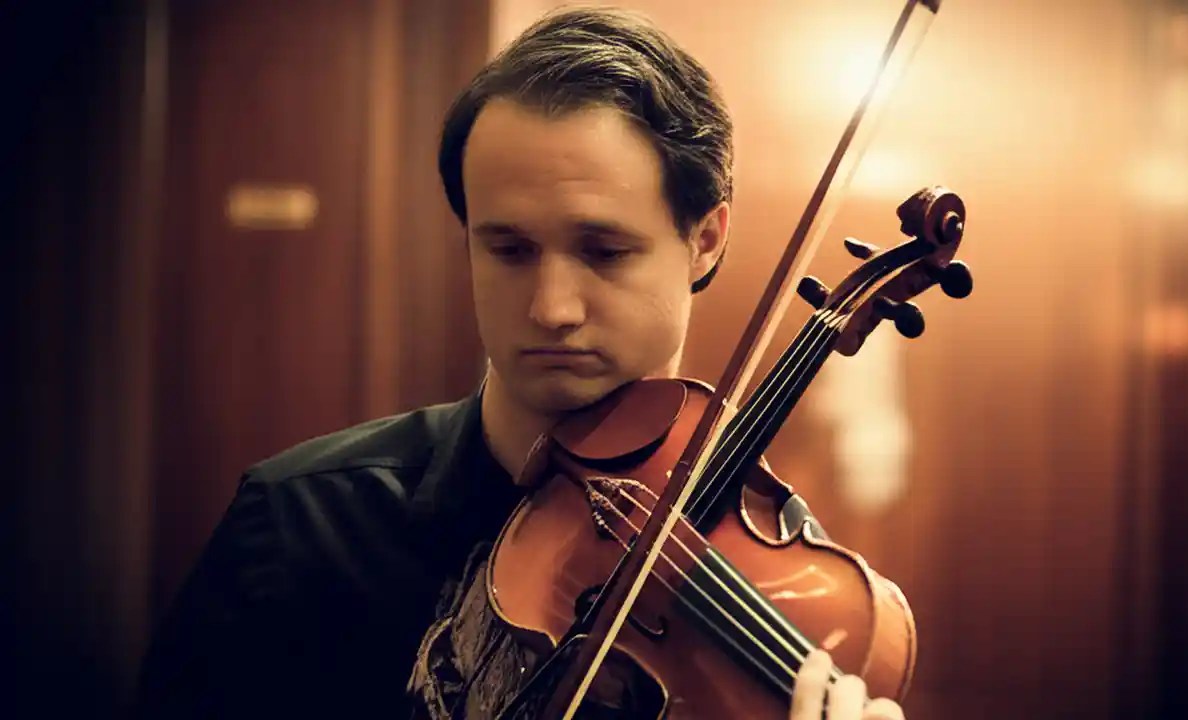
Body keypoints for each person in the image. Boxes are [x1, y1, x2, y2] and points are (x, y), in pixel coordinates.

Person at [135, 7, 907, 720]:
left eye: (603, 251)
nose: (551, 308)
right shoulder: (299, 526)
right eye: (507, 249)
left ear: (705, 238)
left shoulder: (782, 578)